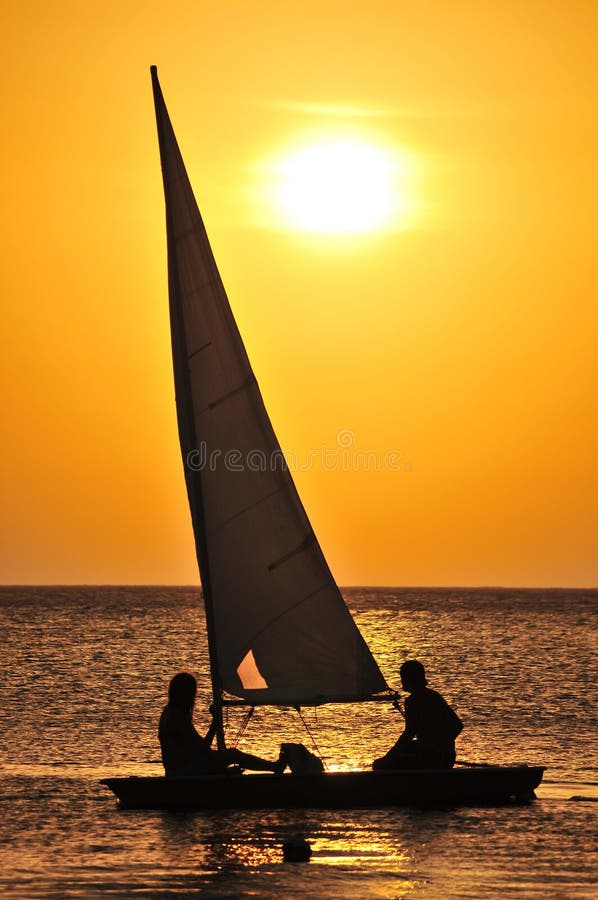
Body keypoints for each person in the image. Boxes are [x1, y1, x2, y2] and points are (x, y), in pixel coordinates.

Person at [159, 672, 286, 776]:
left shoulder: (169, 712)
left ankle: (273, 767)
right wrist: (215, 722)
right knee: (233, 754)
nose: (194, 697)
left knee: (230, 755)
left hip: (180, 768)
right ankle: (274, 767)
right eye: (193, 692)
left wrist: (221, 769)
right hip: (183, 771)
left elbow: (197, 750)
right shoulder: (177, 717)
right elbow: (203, 748)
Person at [373, 660, 463, 770]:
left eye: (404, 677)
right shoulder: (434, 696)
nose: (402, 681)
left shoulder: (413, 701)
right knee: (408, 747)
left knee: (378, 765)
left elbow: (409, 734)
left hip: (433, 759)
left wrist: (387, 758)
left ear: (411, 679)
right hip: (447, 757)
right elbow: (457, 725)